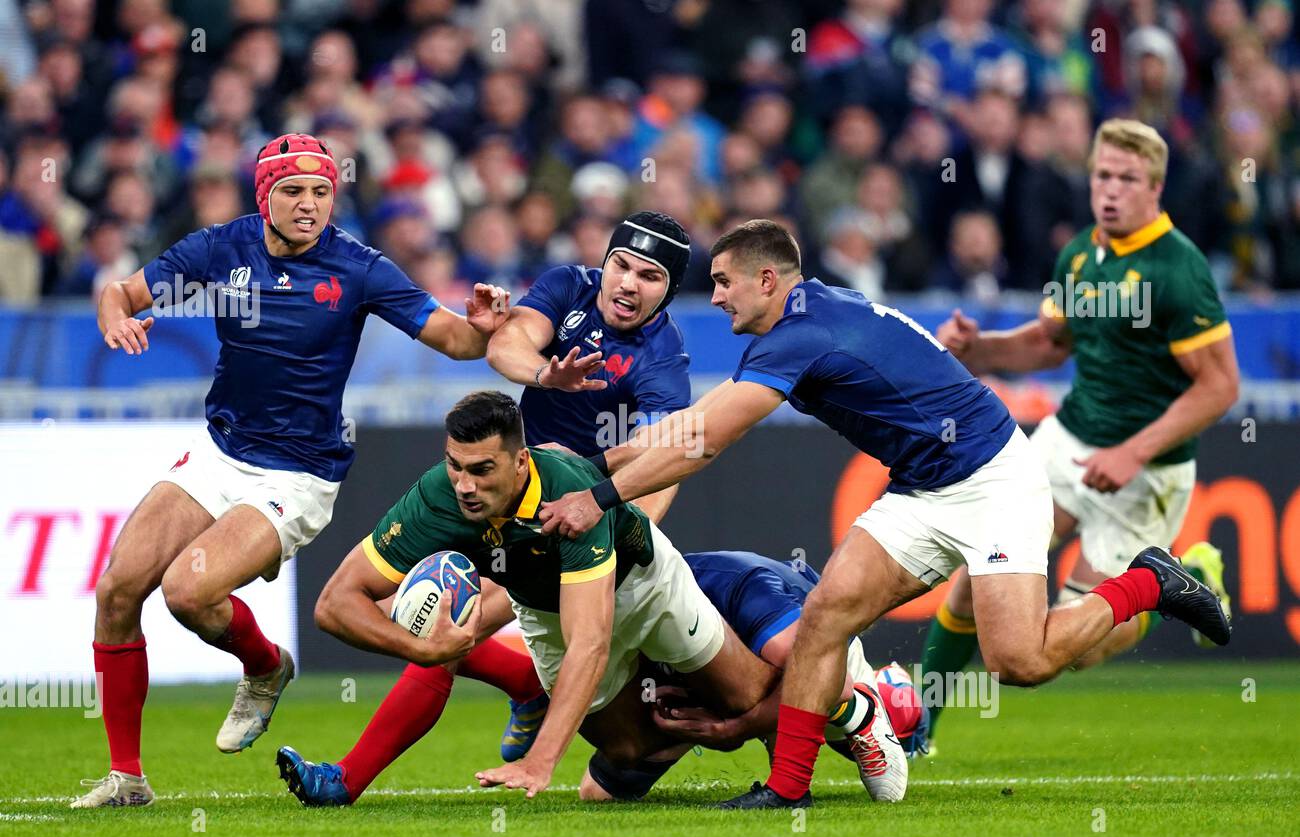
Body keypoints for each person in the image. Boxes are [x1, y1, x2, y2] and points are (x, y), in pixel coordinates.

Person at [538, 217, 1231, 810]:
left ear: (767, 280)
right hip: (923, 487)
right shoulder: (808, 315)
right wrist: (599, 468)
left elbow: (701, 442)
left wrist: (595, 498)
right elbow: (691, 424)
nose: (715, 296)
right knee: (827, 613)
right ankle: (786, 790)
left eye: (723, 282)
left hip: (993, 476)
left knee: (1019, 659)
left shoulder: (796, 336)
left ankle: (1151, 582)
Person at [74, 133, 510, 810]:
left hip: (298, 474)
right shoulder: (220, 248)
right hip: (220, 453)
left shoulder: (359, 267)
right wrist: (115, 317)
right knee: (116, 590)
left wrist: (479, 327)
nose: (309, 205)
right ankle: (127, 778)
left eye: (321, 192)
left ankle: (265, 664)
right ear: (264, 196)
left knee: (188, 592)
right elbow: (120, 293)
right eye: (292, 191)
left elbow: (452, 338)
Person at [277, 212, 701, 804]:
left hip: (575, 525)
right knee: (448, 623)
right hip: (510, 492)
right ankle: (524, 685)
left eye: (649, 277)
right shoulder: (567, 287)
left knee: (452, 630)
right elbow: (504, 344)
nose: (628, 284)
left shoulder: (661, 358)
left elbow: (663, 458)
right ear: (605, 262)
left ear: (669, 291)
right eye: (622, 265)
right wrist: (547, 378)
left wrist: (610, 518)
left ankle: (347, 781)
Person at [922, 119, 1239, 745]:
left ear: (1155, 187)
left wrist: (1133, 450)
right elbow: (1050, 341)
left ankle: (1178, 584)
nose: (1110, 190)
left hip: (1145, 470)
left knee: (1072, 640)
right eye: (1102, 176)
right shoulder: (1080, 253)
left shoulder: (1179, 269)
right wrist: (977, 350)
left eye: (1127, 179)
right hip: (1067, 442)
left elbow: (1220, 386)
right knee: (977, 578)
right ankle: (917, 725)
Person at [298, 391, 778, 801]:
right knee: (627, 749)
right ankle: (691, 725)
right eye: (455, 466)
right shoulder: (435, 498)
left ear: (520, 462)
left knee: (745, 699)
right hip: (544, 612)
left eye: (482, 470)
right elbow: (335, 604)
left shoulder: (567, 489)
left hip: (645, 585)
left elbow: (590, 640)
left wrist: (539, 761)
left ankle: (825, 692)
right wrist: (423, 649)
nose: (465, 486)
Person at [583, 549, 925, 803]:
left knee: (897, 717)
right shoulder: (619, 612)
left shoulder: (738, 589)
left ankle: (867, 705)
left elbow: (828, 676)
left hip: (827, 661)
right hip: (714, 684)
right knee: (599, 792)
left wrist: (736, 728)